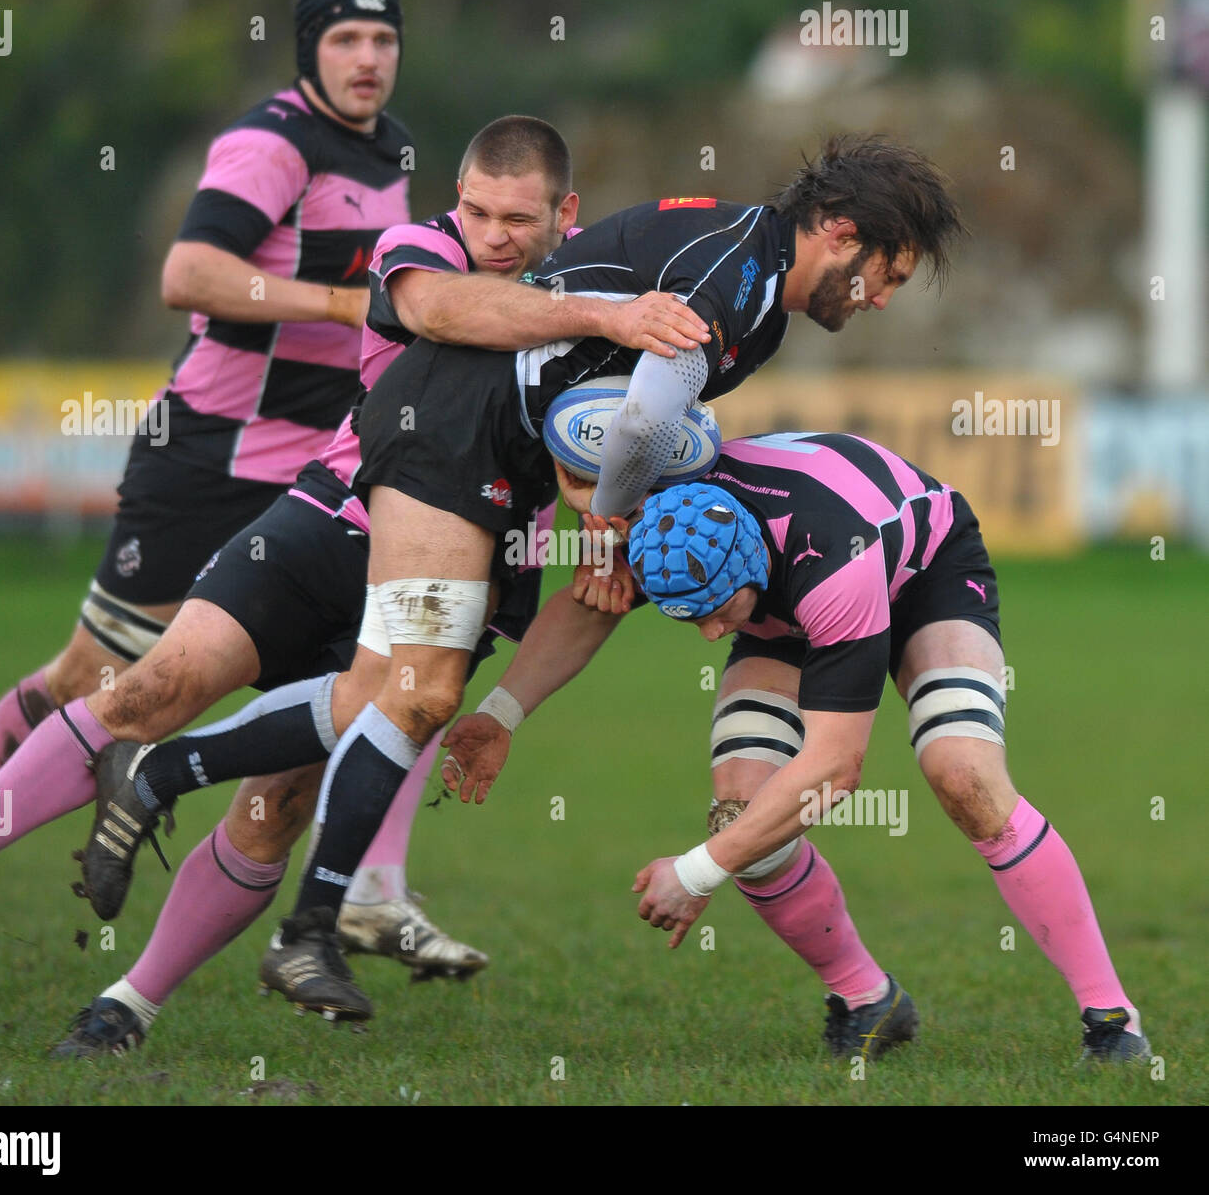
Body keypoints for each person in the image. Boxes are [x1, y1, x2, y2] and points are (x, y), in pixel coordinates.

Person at [0, 119, 703, 1050]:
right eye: (477, 210)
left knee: (277, 809)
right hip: (333, 523)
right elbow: (453, 313)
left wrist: (604, 513)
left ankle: (126, 1005)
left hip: (456, 584)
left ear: (566, 214)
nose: (492, 234)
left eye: (517, 220)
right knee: (156, 684)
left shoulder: (589, 308)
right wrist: (603, 317)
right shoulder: (424, 252)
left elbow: (583, 447)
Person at [281, 136, 965, 1016]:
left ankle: (216, 825)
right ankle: (233, 841)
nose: (880, 300)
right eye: (887, 275)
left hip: (493, 450)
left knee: (403, 690)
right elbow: (642, 415)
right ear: (840, 232)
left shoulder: (751, 267)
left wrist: (606, 521)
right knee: (400, 689)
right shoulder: (740, 276)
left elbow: (633, 417)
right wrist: (607, 522)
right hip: (454, 439)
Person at [0, 0, 411, 986]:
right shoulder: (270, 142)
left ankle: (355, 894)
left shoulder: (389, 150)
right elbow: (190, 272)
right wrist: (343, 303)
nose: (367, 57)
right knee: (87, 685)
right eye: (345, 38)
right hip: (209, 462)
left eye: (385, 38)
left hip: (308, 476)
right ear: (309, 48)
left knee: (375, 669)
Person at [445, 432, 1148, 1063]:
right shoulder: (667, 524)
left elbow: (833, 767)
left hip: (919, 572)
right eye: (689, 617)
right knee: (743, 812)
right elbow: (590, 602)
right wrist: (501, 713)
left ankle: (1112, 1017)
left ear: (751, 573)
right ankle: (866, 997)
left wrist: (694, 873)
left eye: (717, 614)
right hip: (785, 594)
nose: (711, 636)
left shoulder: (825, 566)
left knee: (963, 775)